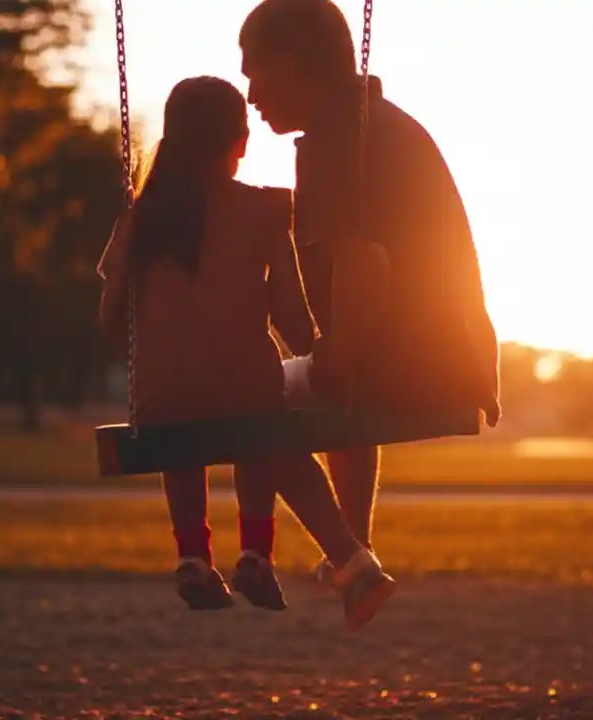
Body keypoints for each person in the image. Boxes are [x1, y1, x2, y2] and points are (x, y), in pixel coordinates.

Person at [98, 76, 397, 629]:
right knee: (265, 416)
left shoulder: (141, 217)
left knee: (181, 417)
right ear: (240, 142)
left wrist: (152, 349)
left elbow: (109, 313)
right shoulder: (263, 211)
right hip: (247, 395)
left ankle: (192, 556)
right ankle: (269, 553)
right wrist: (320, 354)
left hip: (161, 401)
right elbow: (288, 308)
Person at [239, 0, 502, 580]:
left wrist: (336, 357)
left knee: (241, 399)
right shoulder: (376, 124)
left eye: (253, 70)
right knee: (332, 369)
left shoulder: (343, 140)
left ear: (290, 63)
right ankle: (355, 551)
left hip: (412, 361)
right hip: (445, 356)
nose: (250, 93)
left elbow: (366, 265)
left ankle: (341, 556)